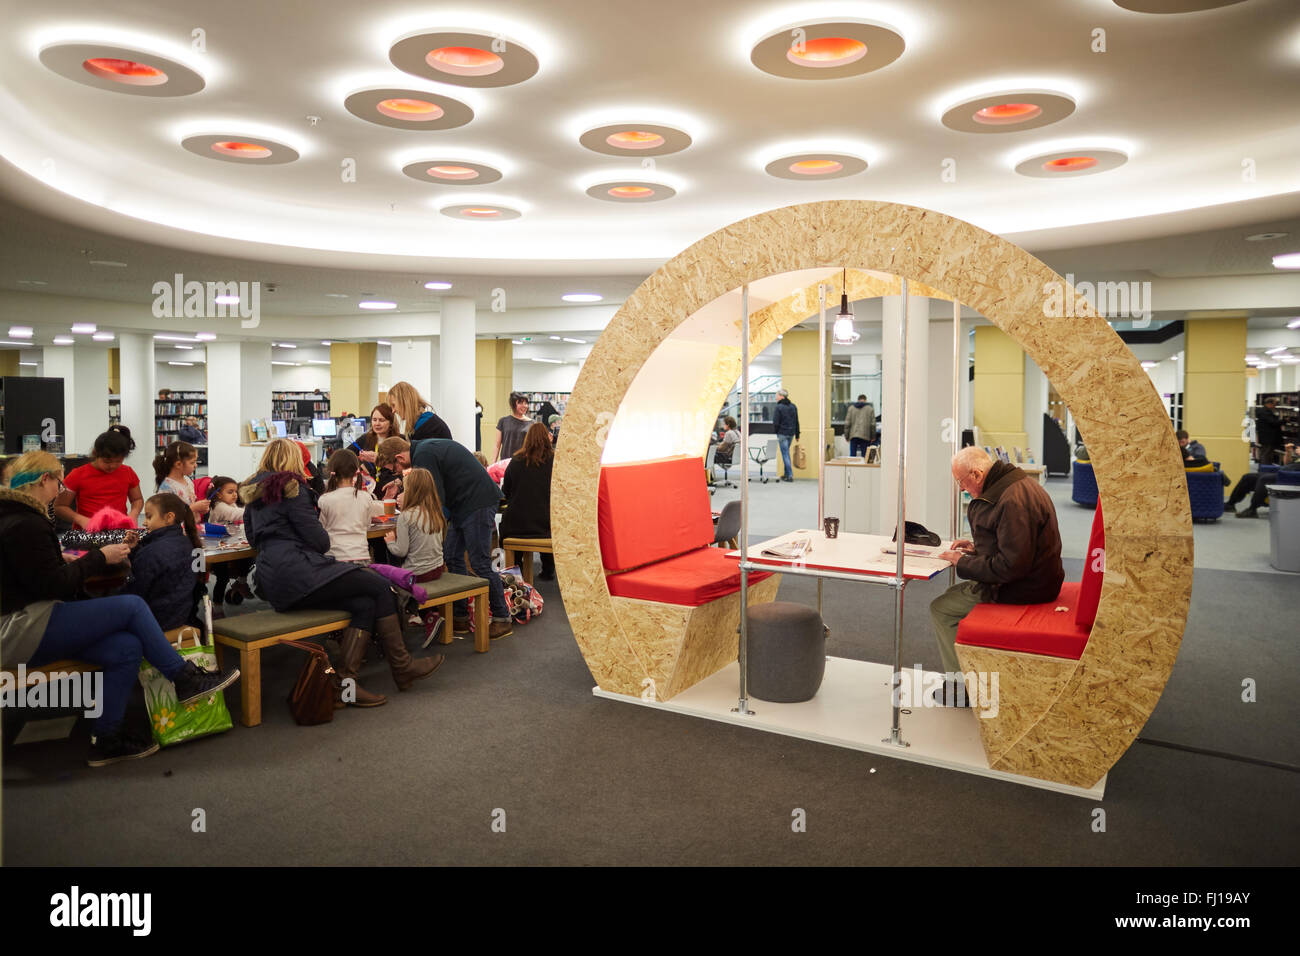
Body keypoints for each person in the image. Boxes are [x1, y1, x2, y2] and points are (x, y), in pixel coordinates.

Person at [1, 451, 238, 766]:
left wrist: (65, 561)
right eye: (58, 483)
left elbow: (31, 575)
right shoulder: (26, 523)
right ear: (44, 479)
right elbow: (54, 586)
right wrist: (100, 557)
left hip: (28, 621)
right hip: (23, 628)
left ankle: (106, 739)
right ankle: (185, 678)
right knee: (132, 607)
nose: (59, 491)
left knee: (126, 648)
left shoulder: (14, 517)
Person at [239, 438, 441, 707]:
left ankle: (345, 685)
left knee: (364, 604)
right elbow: (320, 542)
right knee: (379, 586)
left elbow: (253, 541)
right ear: (293, 462)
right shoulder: (293, 490)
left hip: (275, 579)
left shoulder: (253, 496)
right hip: (300, 571)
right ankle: (401, 667)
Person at [929, 446, 1064, 706]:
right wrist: (977, 549)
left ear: (977, 475)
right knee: (950, 595)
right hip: (1039, 578)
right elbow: (1016, 545)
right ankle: (973, 670)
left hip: (1023, 587)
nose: (961, 489)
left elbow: (1011, 567)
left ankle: (962, 688)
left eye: (961, 482)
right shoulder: (1017, 485)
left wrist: (963, 563)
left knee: (942, 609)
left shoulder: (1010, 500)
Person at [390, 437, 513, 639]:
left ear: (399, 457)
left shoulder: (423, 454)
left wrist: (409, 503)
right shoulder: (424, 449)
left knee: (480, 563)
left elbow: (434, 495)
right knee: (452, 555)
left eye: (395, 468)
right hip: (465, 504)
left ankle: (502, 618)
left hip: (476, 503)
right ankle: (460, 615)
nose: (398, 472)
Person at [121, 493, 203, 631]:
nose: (144, 522)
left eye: (149, 516)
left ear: (169, 518)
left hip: (156, 620)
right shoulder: (191, 544)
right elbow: (199, 586)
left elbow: (134, 593)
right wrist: (135, 550)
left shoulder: (151, 552)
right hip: (182, 615)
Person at [384, 467, 447, 645]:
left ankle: (421, 617)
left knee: (388, 578)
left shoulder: (406, 516)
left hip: (418, 574)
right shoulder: (436, 511)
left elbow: (400, 551)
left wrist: (390, 541)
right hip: (437, 569)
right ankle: (428, 614)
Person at [56, 425, 143, 528]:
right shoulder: (78, 474)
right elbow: (59, 506)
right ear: (95, 454)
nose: (112, 466)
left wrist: (134, 514)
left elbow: (137, 499)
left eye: (118, 461)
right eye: (107, 461)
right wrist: (80, 519)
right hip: (88, 533)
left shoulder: (128, 472)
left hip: (119, 532)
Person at [500, 422, 556, 581]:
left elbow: (506, 491)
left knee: (512, 520)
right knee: (549, 522)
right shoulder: (555, 460)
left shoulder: (517, 459)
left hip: (517, 524)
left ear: (527, 439)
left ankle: (515, 569)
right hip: (545, 524)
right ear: (548, 438)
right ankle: (548, 570)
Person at [317, 449, 385, 564]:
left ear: (331, 471)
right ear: (356, 471)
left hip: (335, 556)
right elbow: (367, 524)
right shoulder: (365, 497)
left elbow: (321, 529)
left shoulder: (325, 499)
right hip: (361, 555)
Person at [205, 476, 253, 605]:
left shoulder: (229, 504)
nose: (235, 495)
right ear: (219, 494)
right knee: (223, 577)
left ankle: (241, 583)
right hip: (216, 549)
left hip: (228, 546)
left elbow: (238, 511)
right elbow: (237, 514)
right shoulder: (219, 506)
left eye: (236, 491)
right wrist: (256, 510)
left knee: (248, 557)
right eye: (230, 492)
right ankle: (217, 607)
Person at [1231, 442, 1299, 518]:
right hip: (1282, 474)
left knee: (1265, 479)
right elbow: (1287, 463)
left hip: (1292, 478)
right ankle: (1230, 504)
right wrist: (1288, 452)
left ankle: (1252, 509)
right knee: (1248, 477)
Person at [154, 441, 210, 519]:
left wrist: (200, 509)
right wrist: (194, 507)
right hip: (177, 530)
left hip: (192, 527)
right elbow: (169, 515)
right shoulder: (167, 487)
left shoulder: (187, 480)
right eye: (192, 462)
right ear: (178, 464)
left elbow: (190, 503)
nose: (196, 465)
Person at [387, 381, 452, 442]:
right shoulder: (424, 423)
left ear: (405, 402)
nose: (393, 411)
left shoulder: (428, 426)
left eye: (394, 405)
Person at [346, 403, 397, 478]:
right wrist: (359, 464)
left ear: (391, 423)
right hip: (369, 485)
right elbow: (346, 454)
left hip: (392, 484)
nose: (377, 423)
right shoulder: (365, 438)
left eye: (381, 420)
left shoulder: (398, 440)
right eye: (374, 420)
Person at [495, 391, 532, 463]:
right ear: (513, 405)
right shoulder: (503, 421)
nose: (524, 406)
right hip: (506, 462)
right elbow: (497, 445)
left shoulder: (532, 423)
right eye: (520, 403)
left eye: (526, 403)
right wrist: (494, 463)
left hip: (524, 463)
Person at [772, 388, 800, 481]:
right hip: (791, 433)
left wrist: (776, 431)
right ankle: (786, 474)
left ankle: (790, 475)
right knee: (786, 453)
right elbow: (796, 421)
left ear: (781, 396)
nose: (776, 397)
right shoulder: (793, 406)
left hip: (782, 433)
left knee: (785, 454)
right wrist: (797, 434)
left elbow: (776, 422)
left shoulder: (779, 407)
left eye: (777, 395)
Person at [1255, 396, 1283, 466]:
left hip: (1266, 438)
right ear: (1269, 404)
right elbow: (1273, 422)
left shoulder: (1263, 411)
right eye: (1274, 404)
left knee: (1266, 454)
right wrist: (1283, 421)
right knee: (1266, 455)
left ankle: (1265, 468)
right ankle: (1265, 470)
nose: (1275, 406)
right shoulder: (1265, 412)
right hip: (1268, 438)